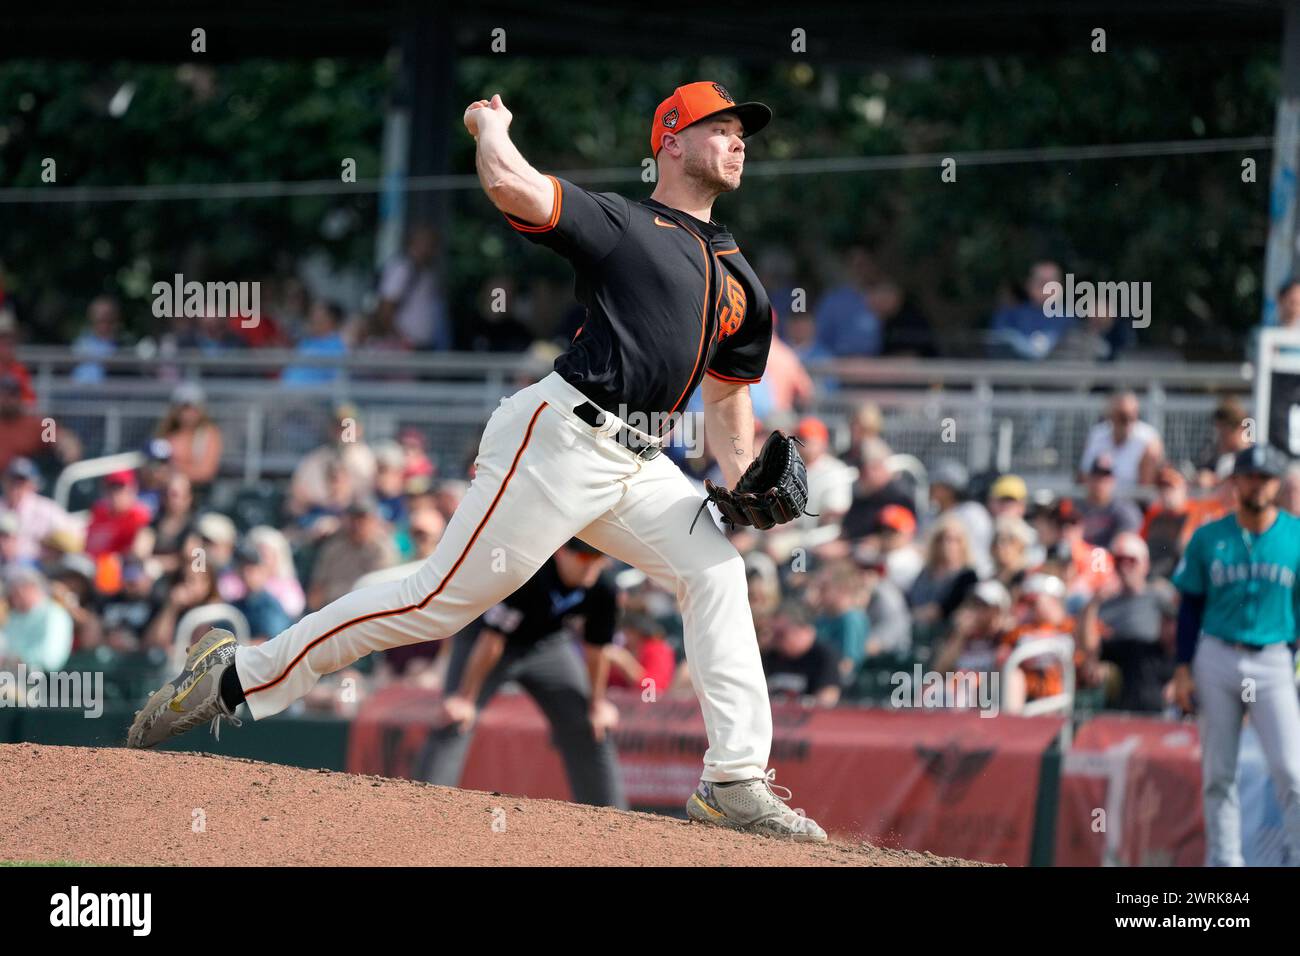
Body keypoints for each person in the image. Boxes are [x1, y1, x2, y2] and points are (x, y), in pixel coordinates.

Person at [129, 82, 825, 842]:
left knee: (715, 571)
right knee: (437, 602)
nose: (737, 141)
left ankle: (734, 781)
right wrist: (490, 125)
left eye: (740, 132)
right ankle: (235, 678)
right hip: (561, 438)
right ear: (672, 141)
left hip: (643, 460)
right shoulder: (625, 223)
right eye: (719, 128)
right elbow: (510, 185)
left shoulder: (742, 280)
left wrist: (740, 472)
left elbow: (726, 399)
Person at [415, 538, 625, 807]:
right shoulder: (529, 574)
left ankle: (612, 818)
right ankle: (425, 807)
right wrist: (466, 699)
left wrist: (598, 703)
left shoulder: (604, 587)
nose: (591, 566)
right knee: (455, 717)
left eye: (598, 559)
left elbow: (597, 650)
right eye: (584, 558)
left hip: (547, 644)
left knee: (590, 723)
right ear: (561, 553)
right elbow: (493, 639)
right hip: (486, 640)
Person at [1169, 444, 1300, 866]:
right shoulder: (1209, 536)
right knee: (1219, 773)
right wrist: (1182, 668)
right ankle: (1225, 864)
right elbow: (1190, 605)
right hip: (1217, 654)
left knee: (1292, 772)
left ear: (1277, 484)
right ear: (1235, 482)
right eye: (1250, 476)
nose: (1257, 484)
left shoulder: (1295, 537)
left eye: (1265, 477)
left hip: (1273, 658)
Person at [1077, 533, 1171, 713]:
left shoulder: (1160, 596)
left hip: (1153, 673)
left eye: (1131, 560)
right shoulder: (1103, 603)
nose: (1124, 567)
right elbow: (1089, 647)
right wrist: (1093, 604)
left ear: (1145, 564)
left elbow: (1177, 640)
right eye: (1119, 560)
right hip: (1117, 674)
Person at [375, 224, 451, 350]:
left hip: (425, 345)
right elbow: (386, 308)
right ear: (414, 242)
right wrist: (401, 340)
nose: (432, 250)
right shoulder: (402, 269)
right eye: (428, 244)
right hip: (405, 346)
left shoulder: (428, 273)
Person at [1079, 390, 1164, 491]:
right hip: (1099, 500)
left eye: (1132, 415)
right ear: (1110, 415)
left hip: (1133, 503)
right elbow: (1085, 475)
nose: (1127, 421)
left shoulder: (1148, 439)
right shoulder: (1097, 434)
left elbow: (1146, 487)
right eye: (1122, 416)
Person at [761, 600, 841, 707]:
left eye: (780, 634)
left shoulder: (824, 656)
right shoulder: (770, 655)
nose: (774, 639)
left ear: (803, 630)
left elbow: (826, 701)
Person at [0, 566, 73, 672]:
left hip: (43, 680)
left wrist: (16, 660)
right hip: (10, 675)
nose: (14, 597)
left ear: (32, 588)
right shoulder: (14, 616)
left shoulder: (55, 614)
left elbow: (50, 658)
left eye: (19, 590)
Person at [157, 383, 223, 494]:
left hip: (199, 494)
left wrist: (174, 470)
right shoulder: (166, 433)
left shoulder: (209, 434)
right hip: (167, 496)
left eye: (193, 408)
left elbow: (206, 472)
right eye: (184, 408)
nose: (188, 413)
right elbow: (156, 471)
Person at [1078, 454, 1142, 549]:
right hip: (1079, 559)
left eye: (1105, 478)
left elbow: (1124, 546)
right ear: (1088, 479)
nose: (1100, 482)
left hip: (1111, 560)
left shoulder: (1125, 511)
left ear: (1113, 481)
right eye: (1097, 476)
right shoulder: (1074, 508)